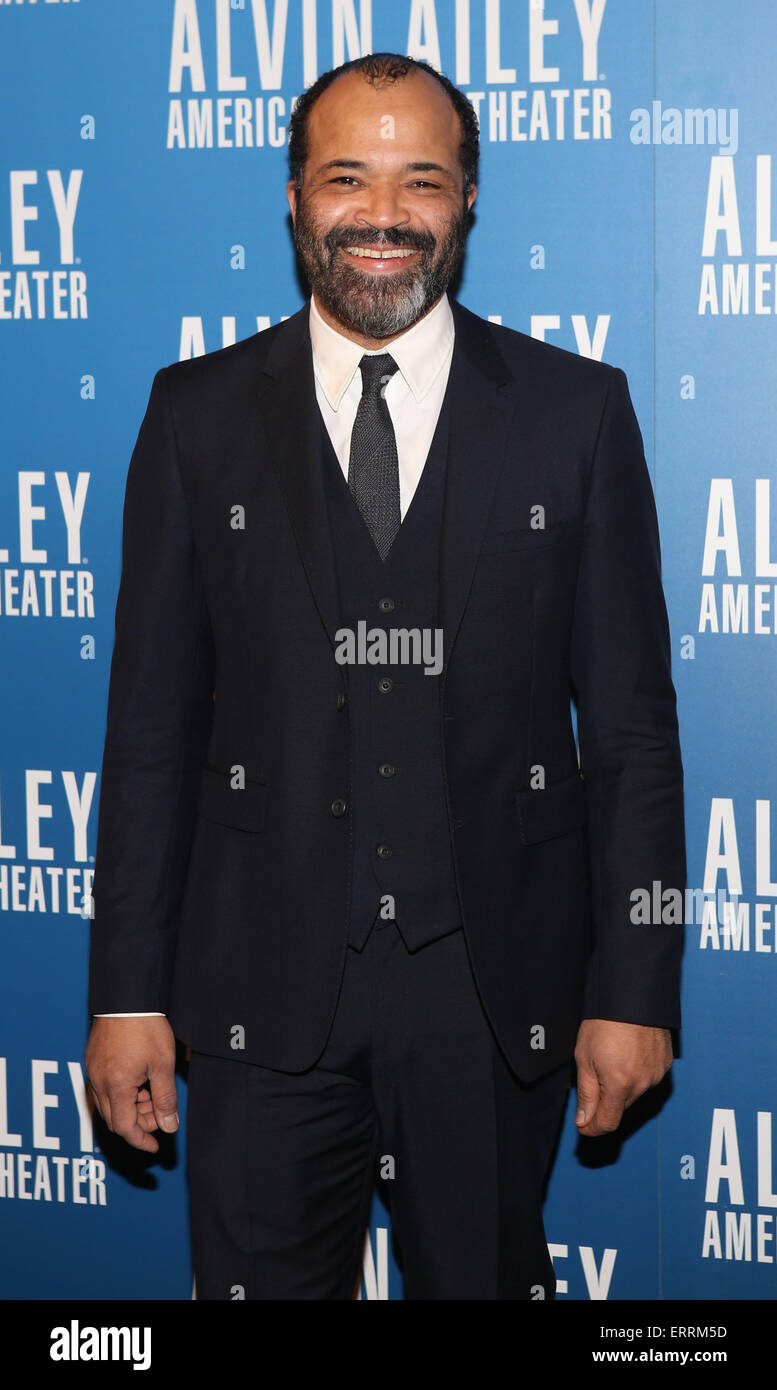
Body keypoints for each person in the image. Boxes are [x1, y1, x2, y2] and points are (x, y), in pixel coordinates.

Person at [84, 53, 685, 1301]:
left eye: (422, 179)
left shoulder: (578, 415)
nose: (383, 212)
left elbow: (629, 730)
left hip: (493, 992)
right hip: (256, 997)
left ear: (469, 200)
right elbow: (149, 729)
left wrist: (636, 986)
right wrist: (127, 991)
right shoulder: (193, 416)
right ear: (295, 196)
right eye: (347, 175)